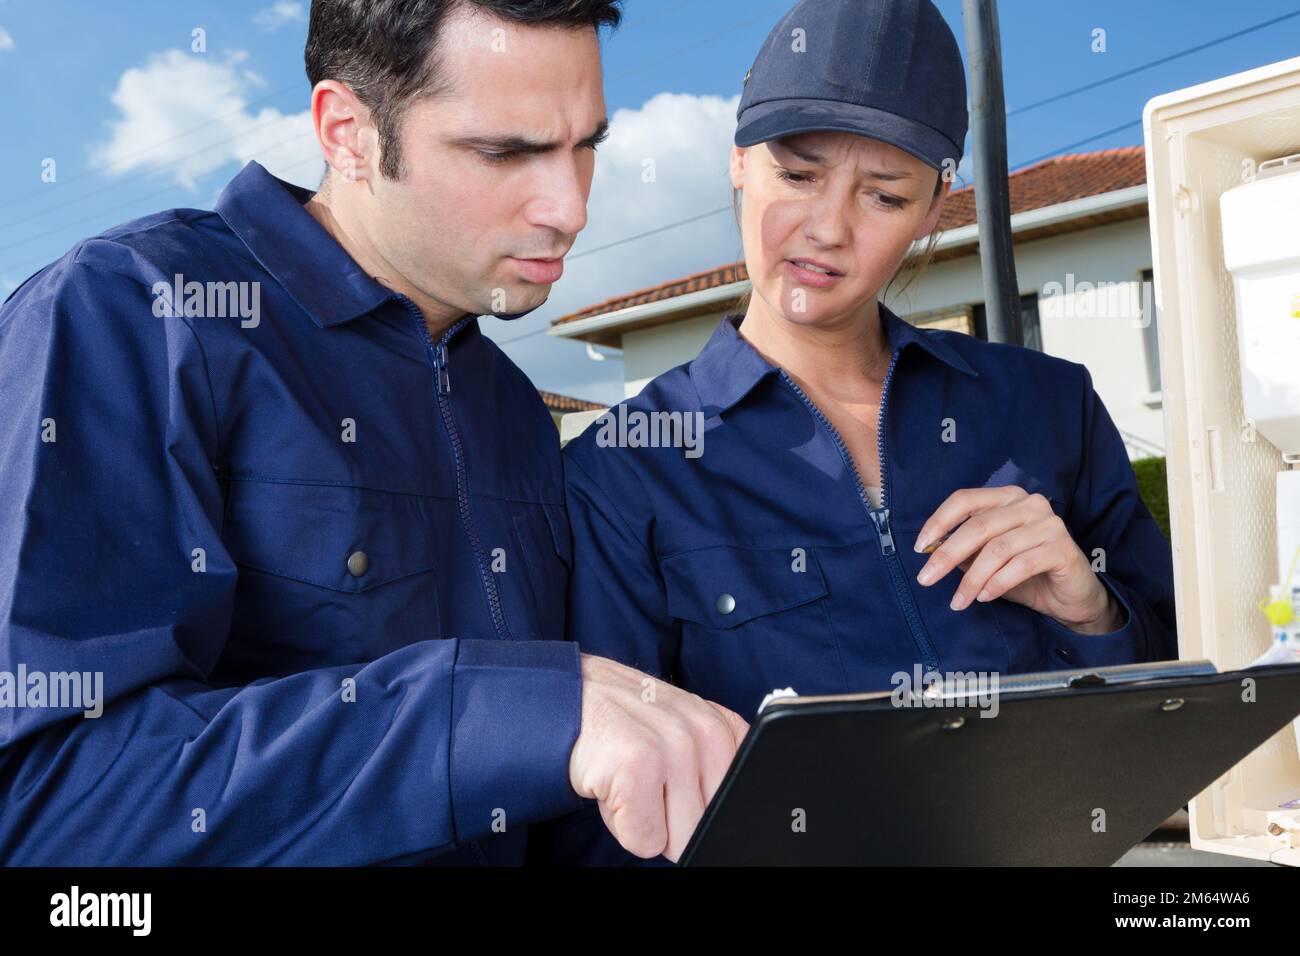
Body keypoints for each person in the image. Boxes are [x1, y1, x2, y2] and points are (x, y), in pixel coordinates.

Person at [0, 0, 748, 866]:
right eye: (507, 151)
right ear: (346, 131)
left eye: (588, 145)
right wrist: (503, 709)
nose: (571, 207)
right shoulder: (129, 315)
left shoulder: (512, 407)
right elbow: (46, 804)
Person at [563, 0, 1178, 767]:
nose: (827, 228)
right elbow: (615, 790)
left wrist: (1093, 614)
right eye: (796, 174)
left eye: (884, 195)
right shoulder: (624, 468)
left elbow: (1176, 698)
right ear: (737, 159)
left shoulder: (1052, 407)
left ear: (930, 212)